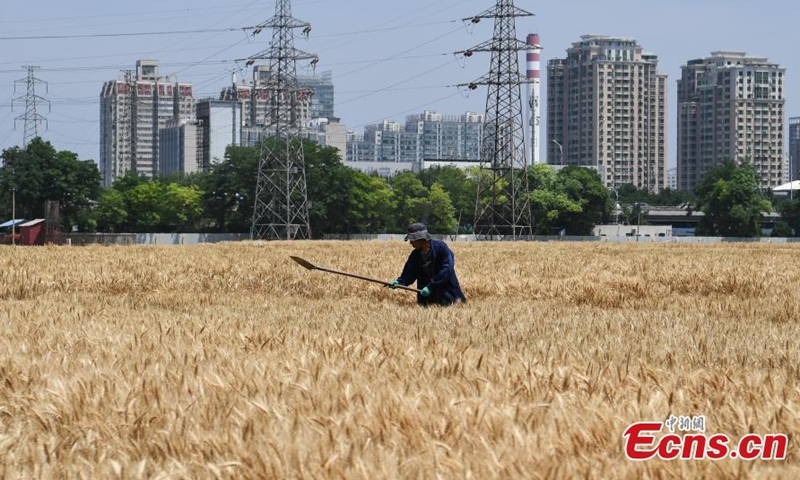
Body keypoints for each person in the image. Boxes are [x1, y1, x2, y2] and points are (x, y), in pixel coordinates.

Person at [388, 223, 466, 306]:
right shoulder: (415, 255)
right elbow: (409, 273)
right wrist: (399, 282)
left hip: (447, 293)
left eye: (412, 239)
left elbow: (446, 269)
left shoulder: (441, 248)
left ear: (421, 238)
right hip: (426, 296)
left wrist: (431, 286)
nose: (410, 243)